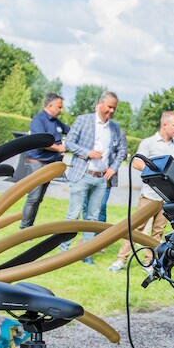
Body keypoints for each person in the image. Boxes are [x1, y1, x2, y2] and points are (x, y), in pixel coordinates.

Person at [109, 111, 174, 272]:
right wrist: (158, 175)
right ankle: (121, 260)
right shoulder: (149, 143)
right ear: (165, 124)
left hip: (168, 199)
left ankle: (149, 262)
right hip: (149, 195)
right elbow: (136, 162)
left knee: (158, 232)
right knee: (135, 228)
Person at [60, 91, 126, 264]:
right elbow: (69, 143)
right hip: (82, 174)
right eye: (109, 107)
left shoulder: (115, 128)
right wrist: (87, 152)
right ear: (100, 104)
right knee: (73, 215)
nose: (111, 111)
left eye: (114, 108)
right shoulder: (83, 120)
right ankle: (63, 251)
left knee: (92, 218)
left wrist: (113, 168)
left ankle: (86, 254)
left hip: (101, 179)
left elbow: (122, 151)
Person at [20, 92, 67, 228]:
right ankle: (24, 228)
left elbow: (70, 131)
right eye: (59, 107)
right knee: (33, 197)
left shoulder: (58, 123)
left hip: (50, 164)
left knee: (39, 198)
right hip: (36, 162)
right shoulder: (38, 120)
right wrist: (58, 148)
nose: (61, 110)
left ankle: (29, 227)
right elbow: (41, 142)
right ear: (50, 105)